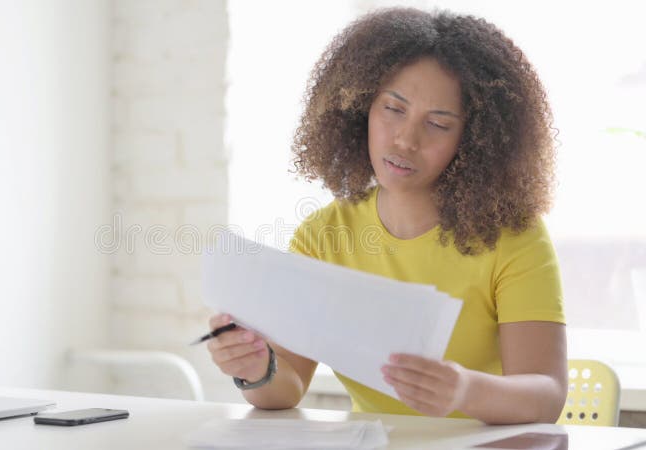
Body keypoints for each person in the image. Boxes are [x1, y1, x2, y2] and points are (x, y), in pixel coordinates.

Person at [206, 7, 566, 425]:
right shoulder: (326, 235)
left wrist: (464, 390)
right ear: (361, 108)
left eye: (437, 123)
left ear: (474, 140)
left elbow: (547, 394)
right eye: (393, 109)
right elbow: (287, 387)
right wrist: (255, 368)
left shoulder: (513, 237)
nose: (406, 139)